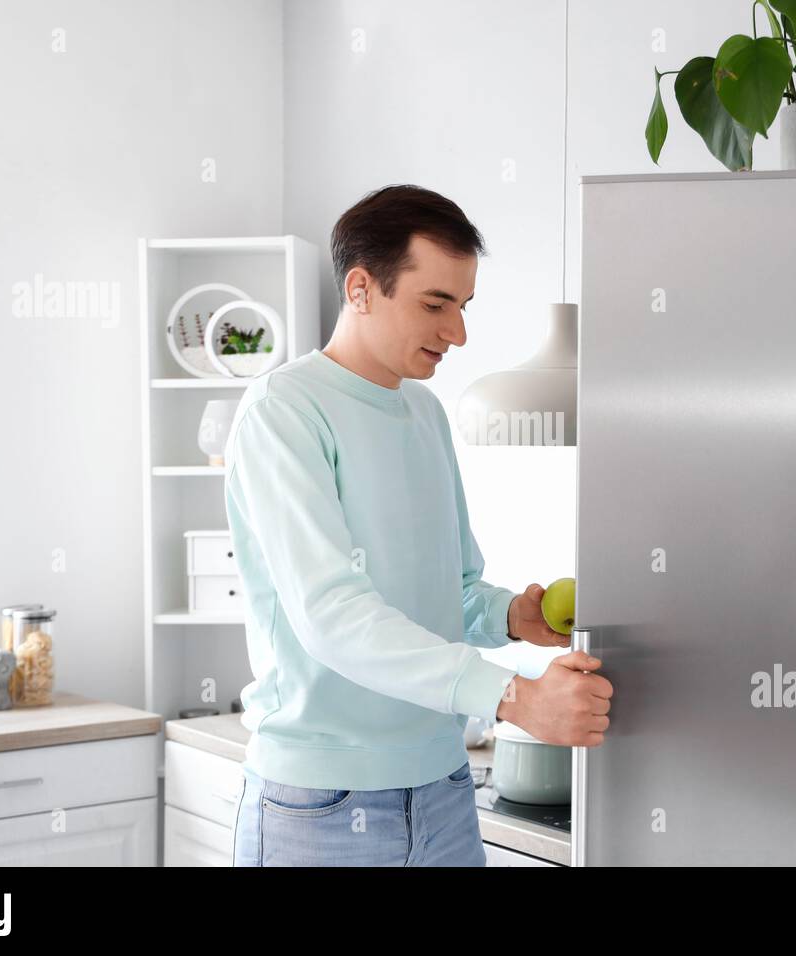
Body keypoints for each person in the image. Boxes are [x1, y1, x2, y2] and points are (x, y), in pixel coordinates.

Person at [226, 184, 613, 866]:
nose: (457, 333)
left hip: (442, 792)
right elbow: (332, 614)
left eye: (462, 307)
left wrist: (510, 616)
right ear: (361, 288)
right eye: (435, 304)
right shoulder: (283, 412)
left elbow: (451, 590)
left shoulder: (427, 415)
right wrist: (511, 696)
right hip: (321, 801)